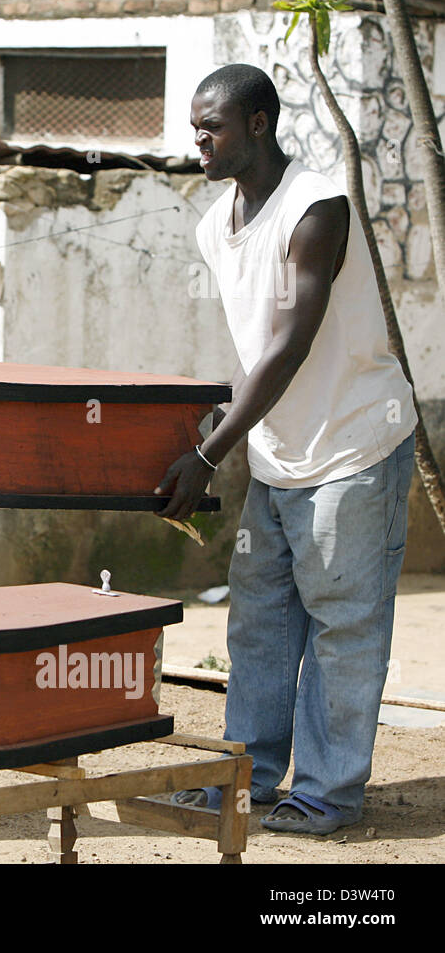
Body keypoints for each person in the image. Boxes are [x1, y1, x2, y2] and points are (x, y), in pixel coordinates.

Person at [156, 64, 417, 835]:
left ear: (260, 124)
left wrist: (210, 453)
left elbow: (293, 343)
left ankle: (329, 791)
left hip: (352, 446)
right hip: (278, 451)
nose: (197, 140)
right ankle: (248, 775)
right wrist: (211, 427)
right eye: (195, 127)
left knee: (343, 624)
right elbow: (254, 346)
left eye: (213, 127)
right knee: (261, 625)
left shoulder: (315, 206)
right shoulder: (216, 224)